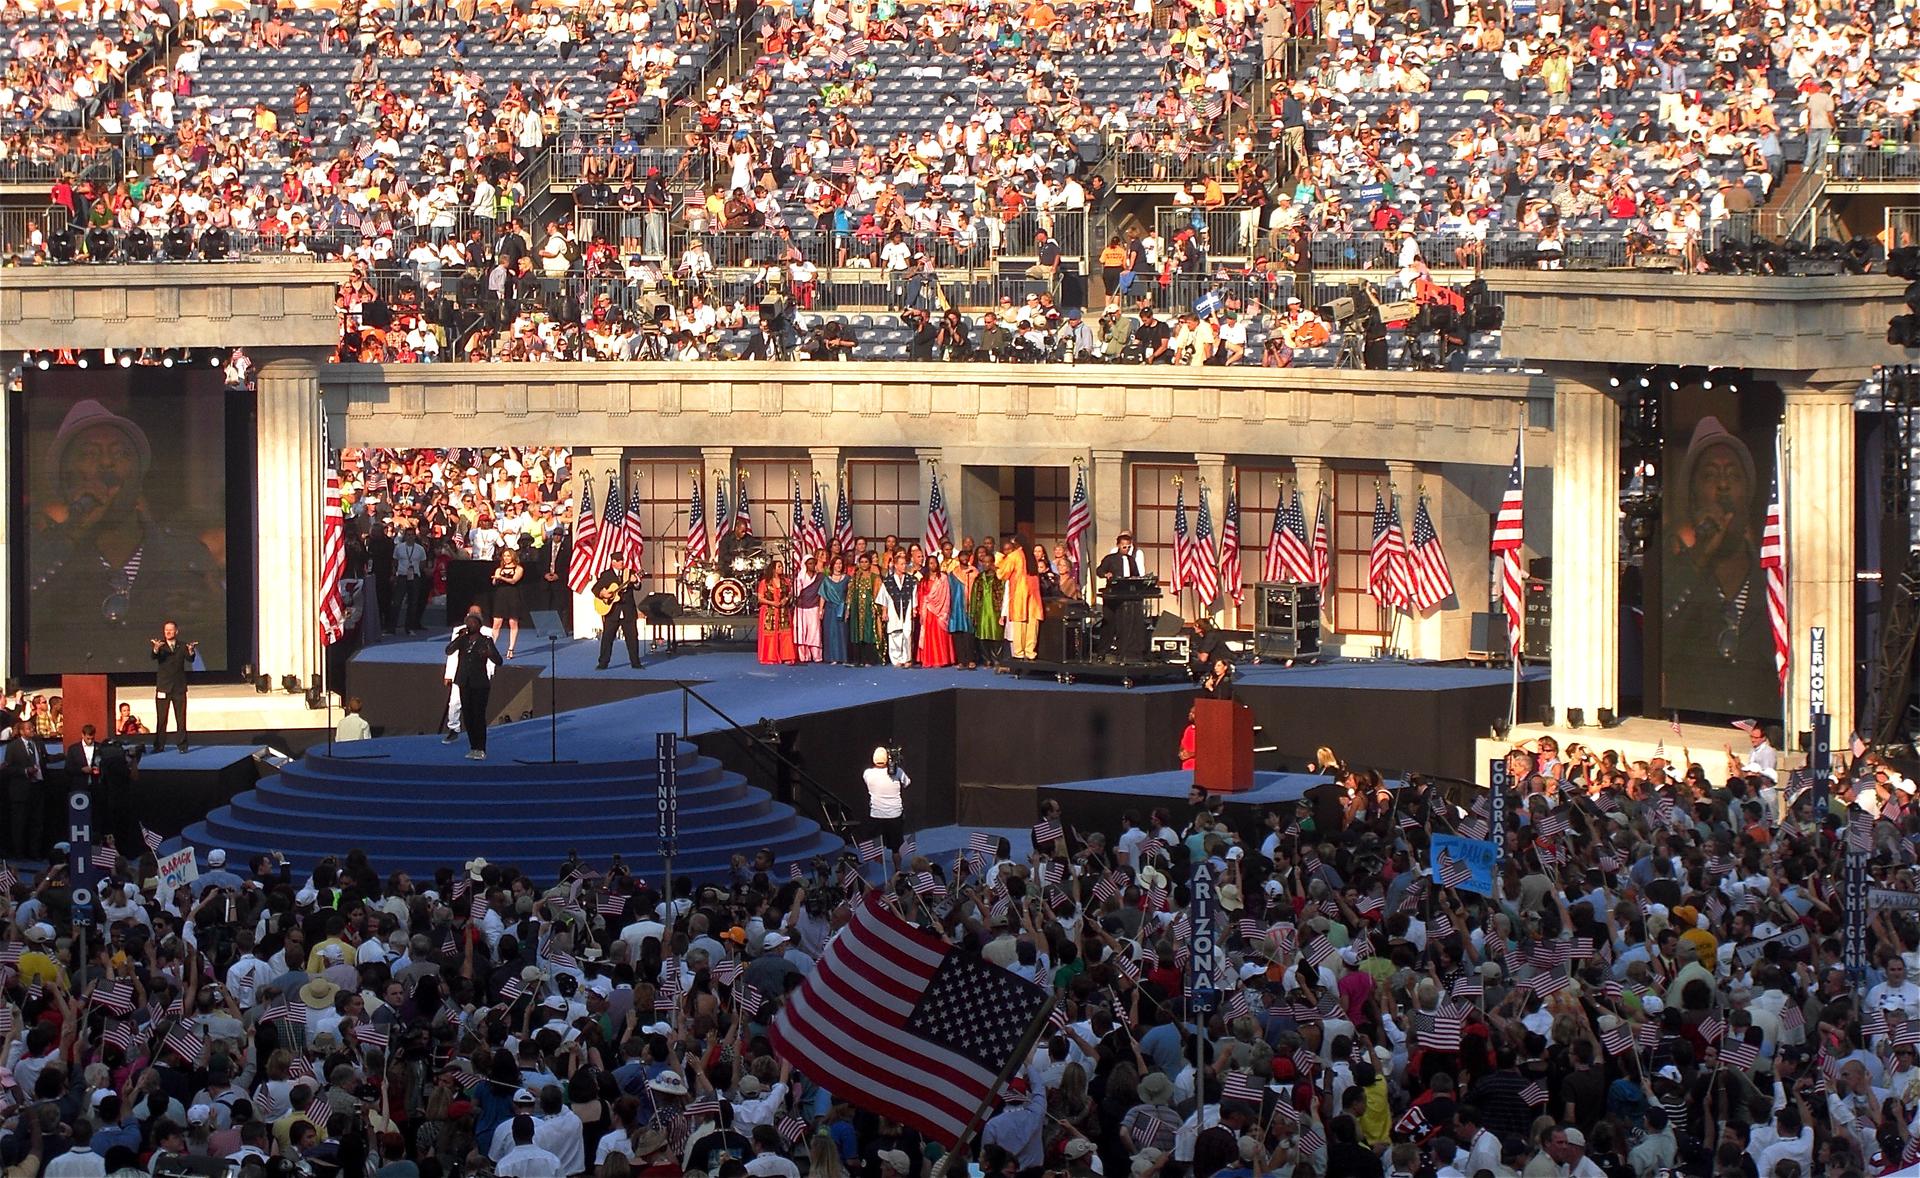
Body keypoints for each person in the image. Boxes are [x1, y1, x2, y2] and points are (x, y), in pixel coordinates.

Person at [445, 606, 502, 759]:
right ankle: (472, 747)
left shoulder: (486, 641)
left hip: (480, 683)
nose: (469, 625)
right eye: (468, 623)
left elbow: (499, 660)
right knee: (468, 716)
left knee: (478, 715)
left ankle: (481, 748)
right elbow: (448, 651)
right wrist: (458, 638)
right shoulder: (462, 640)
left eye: (472, 623)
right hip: (464, 681)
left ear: (479, 626)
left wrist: (489, 654)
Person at [1096, 533, 1150, 661]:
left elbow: (1136, 575)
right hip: (1112, 595)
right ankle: (1102, 651)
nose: (1126, 549)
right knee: (1109, 623)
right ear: (1118, 546)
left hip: (1126, 596)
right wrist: (1106, 574)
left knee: (1123, 624)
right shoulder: (1110, 559)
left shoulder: (1131, 560)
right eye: (1124, 546)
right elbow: (1099, 571)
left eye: (1128, 547)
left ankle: (1123, 651)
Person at [592, 549, 644, 670]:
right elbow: (595, 589)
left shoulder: (629, 572)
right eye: (619, 560)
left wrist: (635, 582)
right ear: (613, 562)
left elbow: (638, 587)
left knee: (632, 638)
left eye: (622, 560)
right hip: (612, 612)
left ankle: (635, 662)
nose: (621, 562)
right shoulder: (606, 575)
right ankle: (603, 662)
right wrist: (603, 594)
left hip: (628, 611)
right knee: (607, 638)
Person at [150, 620, 196, 753]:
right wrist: (156, 648)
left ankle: (182, 746)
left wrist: (191, 651)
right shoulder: (161, 646)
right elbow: (153, 656)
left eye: (170, 630)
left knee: (181, 719)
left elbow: (190, 658)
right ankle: (159, 746)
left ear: (176, 631)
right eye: (166, 630)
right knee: (162, 718)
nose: (168, 632)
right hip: (163, 687)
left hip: (179, 688)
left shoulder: (182, 646)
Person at [996, 533, 1043, 662]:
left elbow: (1002, 574)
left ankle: (1019, 652)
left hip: (1019, 593)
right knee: (1032, 622)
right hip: (1033, 593)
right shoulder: (1031, 556)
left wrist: (999, 558)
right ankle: (1030, 651)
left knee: (1020, 622)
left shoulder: (1014, 556)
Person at [863, 745, 909, 849]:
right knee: (896, 848)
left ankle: (877, 864)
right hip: (894, 815)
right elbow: (907, 783)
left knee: (875, 848)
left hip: (876, 814)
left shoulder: (867, 773)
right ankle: (897, 866)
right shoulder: (898, 772)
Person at [489, 547, 530, 659]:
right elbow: (494, 583)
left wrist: (501, 577)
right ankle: (490, 648)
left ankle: (511, 648)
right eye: (504, 556)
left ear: (513, 556)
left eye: (508, 556)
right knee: (496, 623)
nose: (506, 558)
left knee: (513, 623)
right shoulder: (499, 569)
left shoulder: (518, 568)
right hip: (500, 597)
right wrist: (495, 579)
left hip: (513, 597)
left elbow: (513, 581)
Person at [915, 555, 955, 668]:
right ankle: (929, 659)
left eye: (935, 563)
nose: (933, 565)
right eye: (930, 563)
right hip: (927, 611)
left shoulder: (942, 578)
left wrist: (942, 610)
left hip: (940, 611)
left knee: (940, 634)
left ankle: (941, 659)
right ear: (927, 565)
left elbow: (946, 595)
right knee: (929, 635)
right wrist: (921, 612)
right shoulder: (924, 580)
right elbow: (921, 596)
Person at [880, 553, 917, 667]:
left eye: (905, 564)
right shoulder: (888, 581)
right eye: (901, 564)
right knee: (895, 633)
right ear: (895, 565)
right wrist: (884, 611)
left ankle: (906, 658)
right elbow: (884, 597)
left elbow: (914, 595)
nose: (903, 566)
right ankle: (896, 659)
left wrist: (914, 609)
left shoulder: (911, 580)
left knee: (907, 633)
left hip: (907, 609)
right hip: (893, 610)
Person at [757, 566, 797, 665]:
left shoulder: (786, 581)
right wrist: (772, 603)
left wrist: (786, 599)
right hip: (769, 611)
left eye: (782, 566)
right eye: (779, 566)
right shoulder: (765, 582)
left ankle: (787, 656)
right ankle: (770, 657)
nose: (781, 568)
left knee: (785, 633)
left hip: (783, 611)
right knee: (770, 634)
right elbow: (760, 598)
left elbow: (790, 593)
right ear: (773, 569)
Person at [848, 552, 883, 666]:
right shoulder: (855, 576)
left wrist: (875, 607)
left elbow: (879, 594)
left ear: (870, 563)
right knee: (857, 633)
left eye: (866, 562)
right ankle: (858, 660)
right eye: (861, 562)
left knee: (868, 633)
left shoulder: (875, 577)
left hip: (869, 609)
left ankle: (869, 660)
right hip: (856, 609)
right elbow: (850, 593)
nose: (863, 564)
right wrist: (848, 608)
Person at [794, 555, 824, 664]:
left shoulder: (820, 577)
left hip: (814, 607)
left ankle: (816, 656)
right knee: (802, 632)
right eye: (809, 563)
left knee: (815, 631)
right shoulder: (801, 577)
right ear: (805, 565)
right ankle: (803, 656)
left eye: (813, 563)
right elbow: (796, 593)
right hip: (801, 608)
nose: (812, 565)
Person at [820, 557, 851, 664]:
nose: (839, 566)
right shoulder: (826, 580)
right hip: (830, 609)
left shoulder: (847, 578)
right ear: (832, 565)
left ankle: (843, 657)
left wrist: (847, 609)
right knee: (831, 633)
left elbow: (849, 595)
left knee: (842, 633)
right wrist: (821, 610)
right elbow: (822, 596)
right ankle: (832, 657)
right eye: (836, 564)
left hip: (842, 609)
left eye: (840, 563)